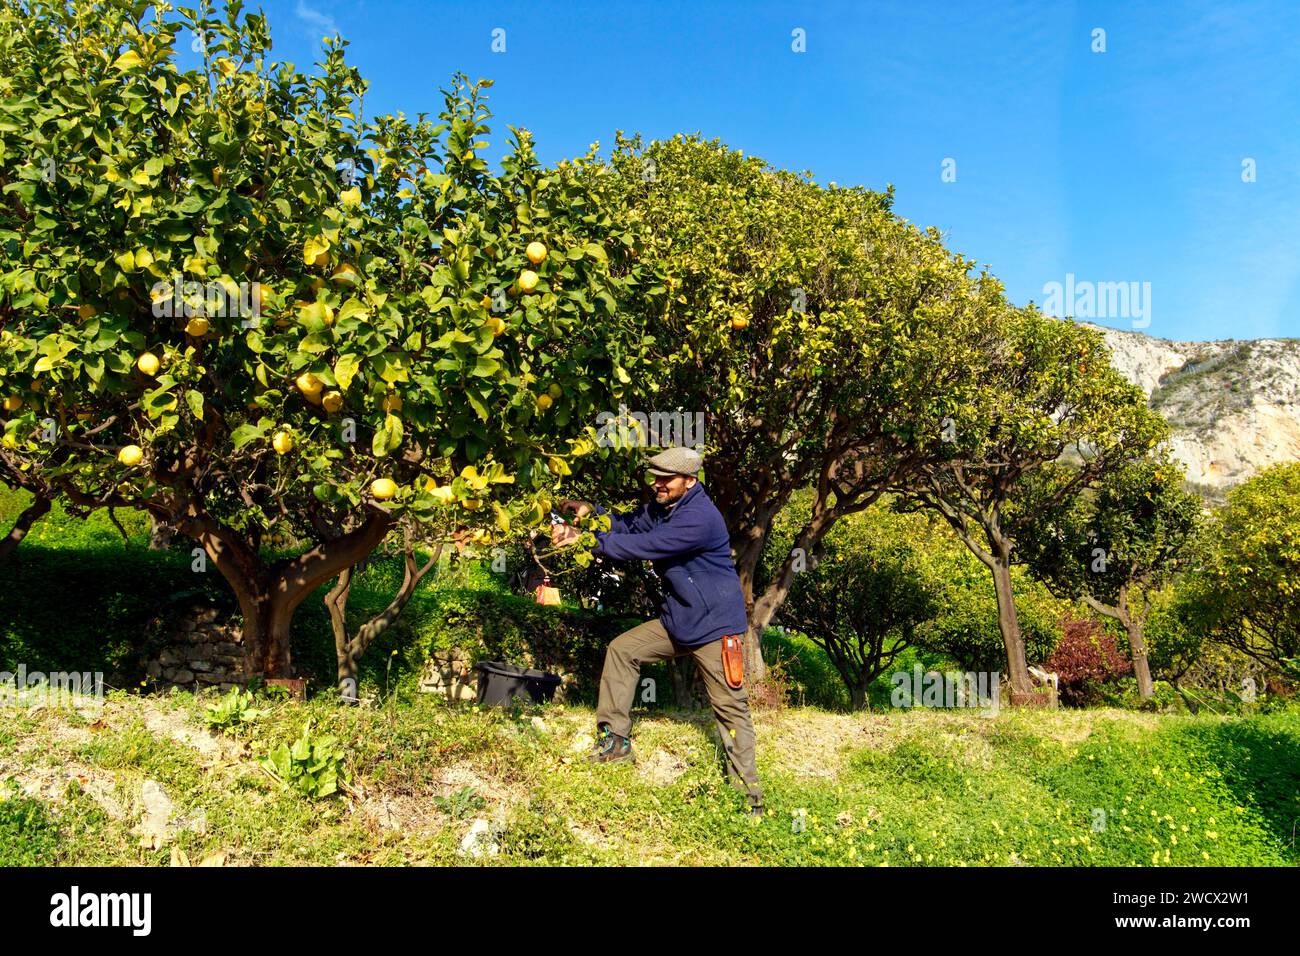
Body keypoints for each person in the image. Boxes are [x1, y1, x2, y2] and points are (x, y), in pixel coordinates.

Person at [551, 446, 764, 816]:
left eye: (666, 479)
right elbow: (629, 526)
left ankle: (750, 801)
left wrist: (583, 540)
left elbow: (644, 545)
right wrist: (592, 514)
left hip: (714, 627)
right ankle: (614, 742)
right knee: (623, 650)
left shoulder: (699, 518)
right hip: (679, 620)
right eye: (655, 477)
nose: (657, 484)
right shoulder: (664, 506)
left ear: (690, 481)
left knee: (731, 710)